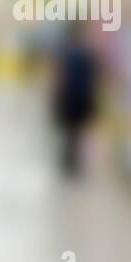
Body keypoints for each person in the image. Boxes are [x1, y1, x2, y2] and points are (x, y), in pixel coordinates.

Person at [51, 21, 99, 178]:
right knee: (75, 132)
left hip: (70, 98)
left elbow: (61, 78)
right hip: (80, 98)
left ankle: (67, 160)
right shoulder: (87, 54)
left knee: (70, 132)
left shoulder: (66, 52)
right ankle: (71, 161)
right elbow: (92, 80)